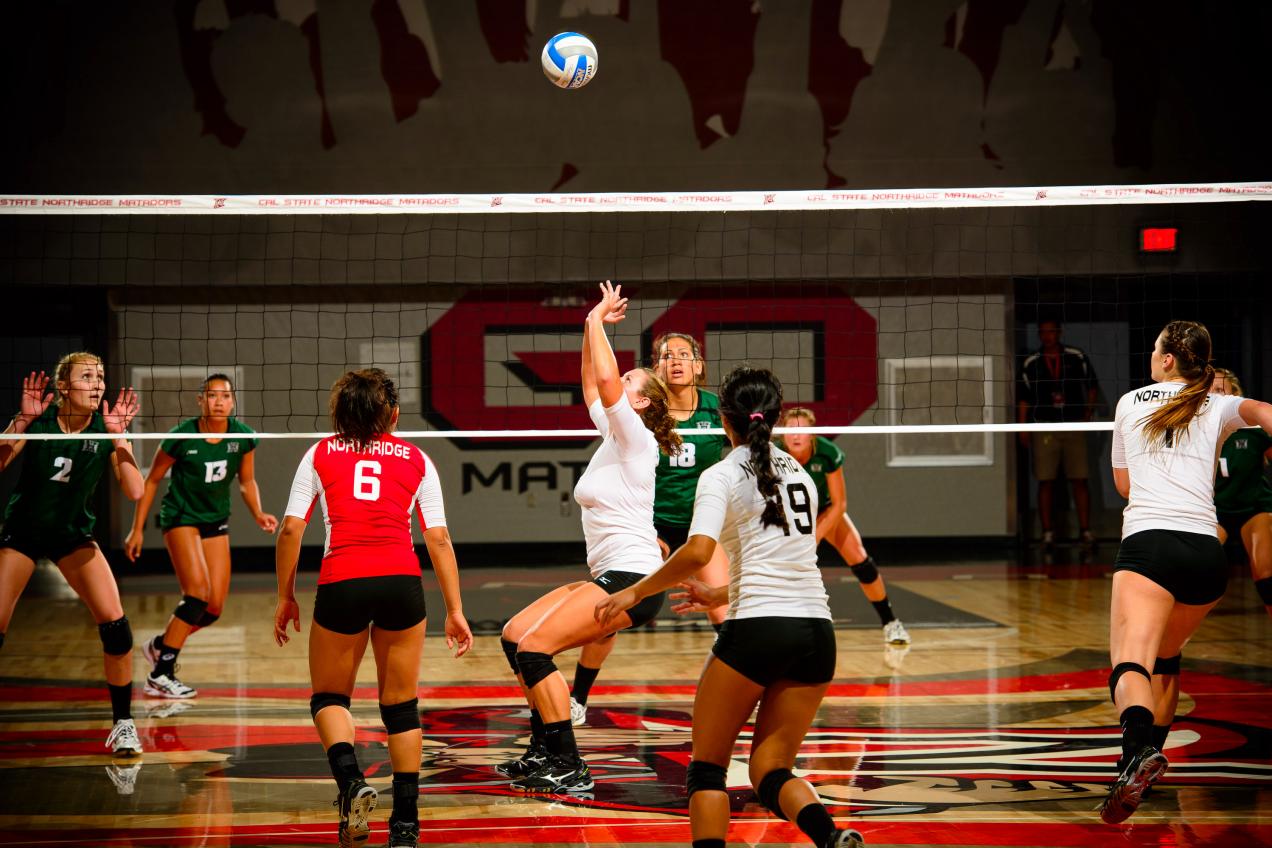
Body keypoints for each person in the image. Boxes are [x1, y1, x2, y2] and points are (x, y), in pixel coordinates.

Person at [596, 365, 865, 848]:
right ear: (776, 418)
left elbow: (698, 551)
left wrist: (634, 591)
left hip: (758, 630)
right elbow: (790, 560)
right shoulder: (800, 473)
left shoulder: (720, 473)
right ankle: (830, 837)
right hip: (816, 634)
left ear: (724, 418)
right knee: (770, 768)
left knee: (706, 770)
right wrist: (721, 595)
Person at [274, 368, 472, 848]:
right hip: (401, 583)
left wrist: (285, 595)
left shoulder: (319, 453)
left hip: (343, 582)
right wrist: (455, 609)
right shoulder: (418, 458)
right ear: (394, 415)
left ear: (340, 413)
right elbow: (439, 539)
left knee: (329, 700)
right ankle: (406, 823)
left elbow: (290, 531)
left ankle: (351, 784)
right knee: (401, 708)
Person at [497, 281, 682, 793]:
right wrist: (587, 326)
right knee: (515, 637)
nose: (620, 382)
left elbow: (604, 383)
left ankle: (570, 764)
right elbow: (591, 383)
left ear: (640, 402)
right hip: (611, 573)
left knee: (536, 651)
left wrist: (598, 322)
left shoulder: (637, 438)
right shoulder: (615, 436)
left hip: (634, 579)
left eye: (629, 380)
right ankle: (541, 753)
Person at [1102, 321, 1272, 824]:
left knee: (1130, 664)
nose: (1151, 356)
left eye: (1155, 349)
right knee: (1168, 657)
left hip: (1150, 548)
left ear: (1168, 358)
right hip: (1206, 557)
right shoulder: (1217, 403)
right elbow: (1265, 414)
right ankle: (1148, 759)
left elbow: (1124, 485)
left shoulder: (1130, 403)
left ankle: (1135, 755)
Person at [566, 331, 730, 728]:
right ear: (655, 369)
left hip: (698, 526)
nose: (675, 360)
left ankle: (739, 688)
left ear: (698, 365)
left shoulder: (716, 411)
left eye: (683, 354)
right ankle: (579, 698)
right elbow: (595, 385)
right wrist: (593, 325)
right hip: (648, 526)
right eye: (666, 354)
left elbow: (746, 448)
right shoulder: (635, 415)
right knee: (611, 614)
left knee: (725, 611)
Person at [0, 355, 145, 763]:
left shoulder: (106, 428)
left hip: (72, 536)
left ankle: (122, 725)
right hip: (23, 535)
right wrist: (20, 423)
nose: (98, 384)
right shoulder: (41, 421)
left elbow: (134, 490)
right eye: (87, 377)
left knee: (117, 628)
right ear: (63, 387)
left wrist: (120, 439)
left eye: (101, 377)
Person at [124, 374, 278, 698]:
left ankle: (160, 645)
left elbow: (247, 482)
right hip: (181, 518)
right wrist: (136, 529)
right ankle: (161, 673)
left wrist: (258, 512)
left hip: (215, 520)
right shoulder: (180, 437)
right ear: (200, 401)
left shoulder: (244, 437)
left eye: (225, 396)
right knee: (196, 594)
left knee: (214, 607)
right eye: (212, 395)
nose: (219, 401)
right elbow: (151, 481)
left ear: (233, 401)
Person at [778, 408, 909, 646]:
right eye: (790, 430)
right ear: (781, 432)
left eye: (803, 431)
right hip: (786, 515)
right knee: (776, 568)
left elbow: (840, 504)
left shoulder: (827, 454)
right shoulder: (773, 454)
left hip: (825, 512)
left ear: (813, 435)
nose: (796, 436)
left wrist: (814, 537)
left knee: (861, 560)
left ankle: (891, 623)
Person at [1017, 319, 1099, 546]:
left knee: (1080, 479)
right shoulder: (1031, 362)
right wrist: (1022, 427)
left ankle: (1085, 531)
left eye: (1051, 332)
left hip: (1073, 424)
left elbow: (1092, 386)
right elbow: (1023, 398)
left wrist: (1087, 413)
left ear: (1059, 332)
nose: (1047, 336)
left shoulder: (1076, 356)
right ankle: (1047, 532)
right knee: (1046, 481)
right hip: (1044, 425)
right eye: (1043, 332)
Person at [1210, 368, 1272, 617]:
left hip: (1254, 507)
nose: (1213, 396)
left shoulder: (1255, 429)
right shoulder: (1198, 430)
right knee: (1196, 573)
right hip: (1215, 511)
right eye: (1208, 391)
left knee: (1266, 576)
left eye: (1218, 390)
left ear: (1234, 395)